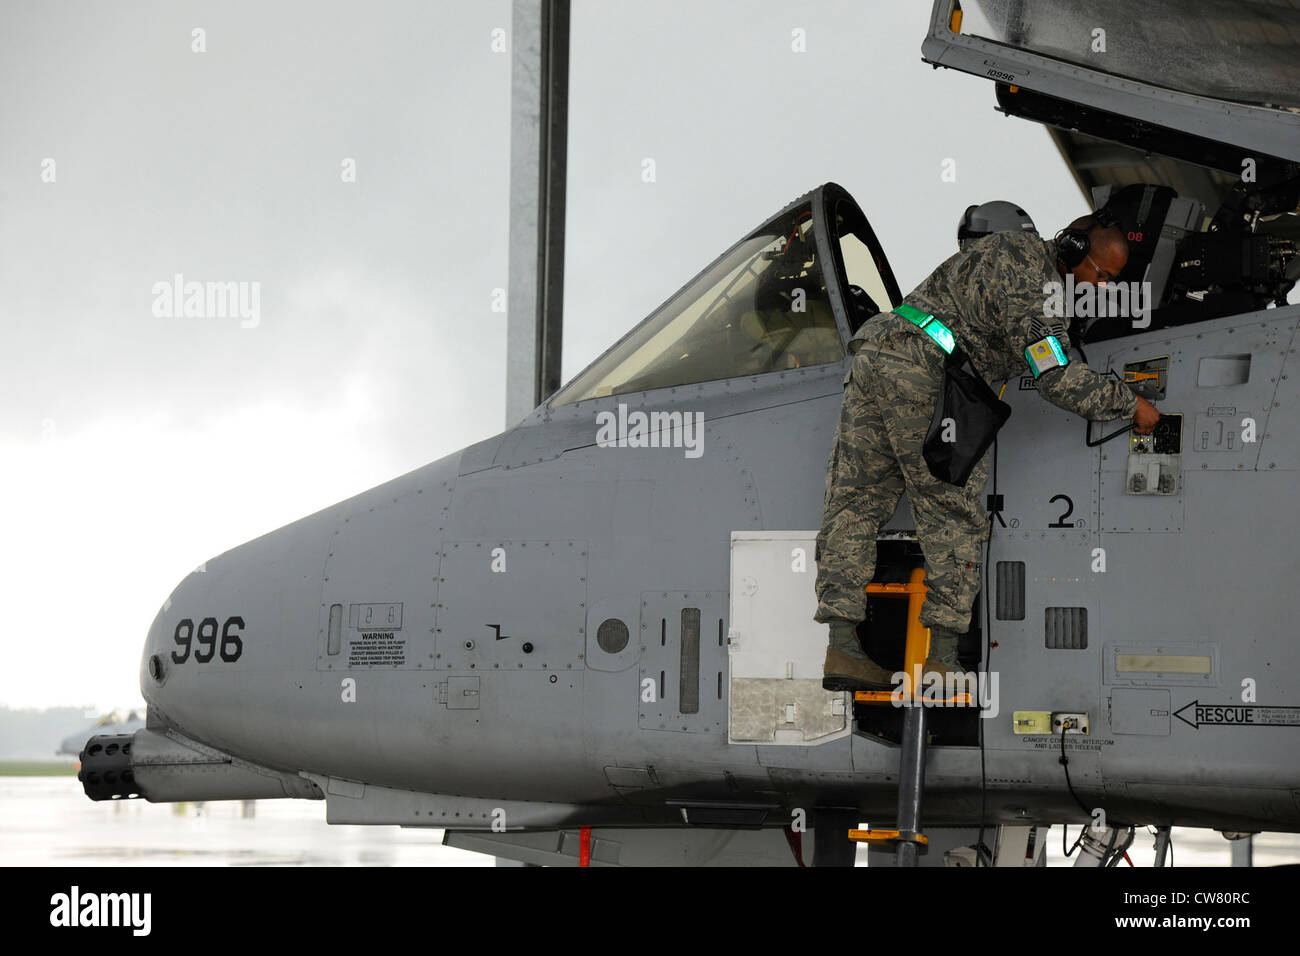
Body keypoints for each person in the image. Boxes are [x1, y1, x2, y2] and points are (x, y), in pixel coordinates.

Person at [815, 213, 1161, 691]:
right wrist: (1131, 404)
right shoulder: (1039, 289)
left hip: (876, 350)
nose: (1101, 288)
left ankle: (842, 648)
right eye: (1100, 275)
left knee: (854, 501)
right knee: (951, 512)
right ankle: (941, 660)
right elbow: (1056, 378)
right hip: (926, 372)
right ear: (1073, 248)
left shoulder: (1004, 245)